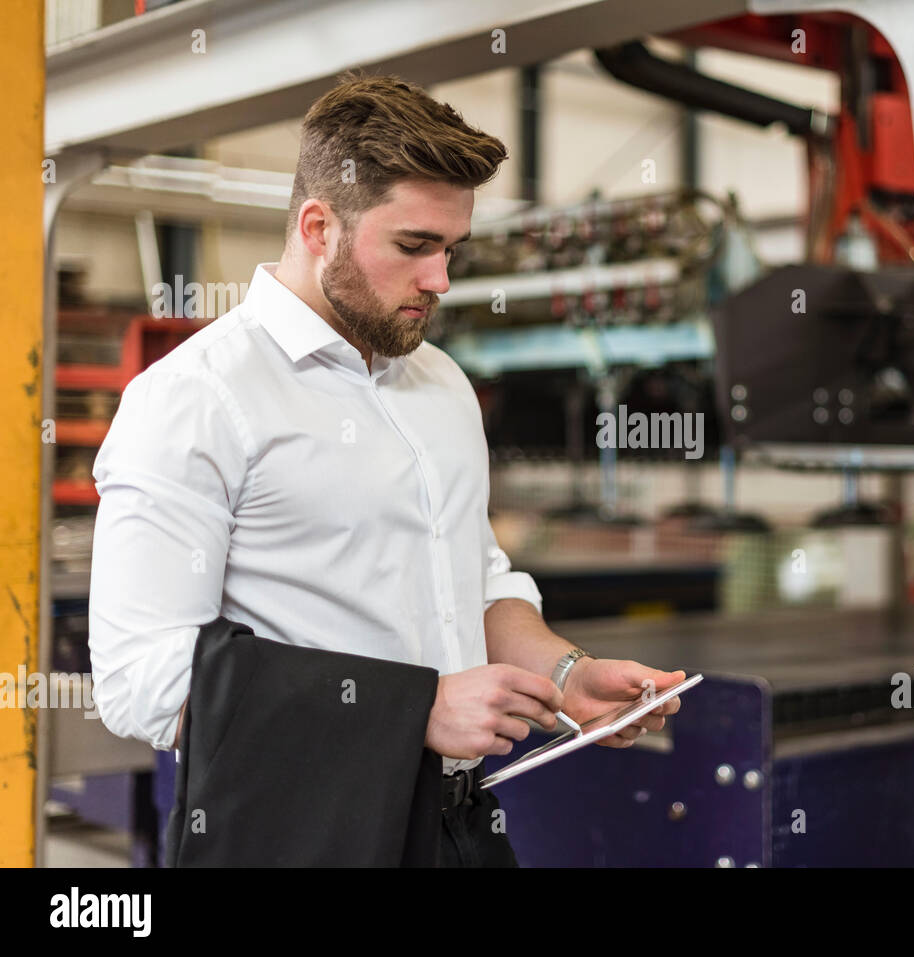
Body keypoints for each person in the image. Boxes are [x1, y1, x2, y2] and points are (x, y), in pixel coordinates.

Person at [88, 71, 685, 867]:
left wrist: (564, 674)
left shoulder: (438, 383)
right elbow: (142, 678)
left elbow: (474, 585)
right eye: (413, 246)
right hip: (292, 831)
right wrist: (413, 711)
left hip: (453, 824)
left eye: (451, 249)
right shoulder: (195, 398)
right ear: (317, 226)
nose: (440, 280)